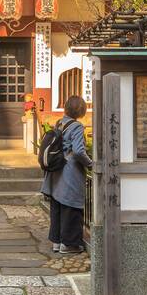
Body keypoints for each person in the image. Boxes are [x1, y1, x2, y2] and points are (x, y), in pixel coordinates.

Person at [40, 95, 92, 254]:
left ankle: (56, 242)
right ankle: (69, 244)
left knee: (57, 206)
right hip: (69, 171)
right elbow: (78, 151)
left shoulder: (60, 123)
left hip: (56, 171)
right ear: (81, 110)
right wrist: (90, 163)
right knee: (71, 205)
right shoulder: (76, 126)